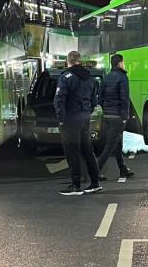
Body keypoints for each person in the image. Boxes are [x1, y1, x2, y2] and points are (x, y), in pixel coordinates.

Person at [54, 51, 102, 196]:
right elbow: (94, 101)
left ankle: (76, 185)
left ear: (68, 62)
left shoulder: (66, 77)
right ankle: (95, 183)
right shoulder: (90, 78)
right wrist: (86, 112)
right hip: (85, 119)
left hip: (70, 120)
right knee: (88, 150)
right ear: (79, 61)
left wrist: (61, 119)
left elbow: (59, 100)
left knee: (72, 152)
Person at [96, 54, 134, 181]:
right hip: (117, 116)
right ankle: (95, 170)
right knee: (110, 145)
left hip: (107, 115)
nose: (124, 64)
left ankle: (123, 169)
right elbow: (124, 99)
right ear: (119, 63)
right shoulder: (123, 78)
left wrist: (105, 109)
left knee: (117, 143)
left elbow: (100, 97)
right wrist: (125, 116)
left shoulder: (106, 78)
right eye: (123, 62)